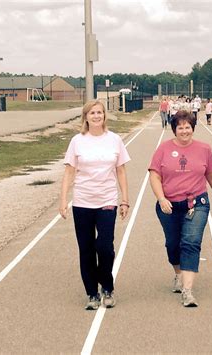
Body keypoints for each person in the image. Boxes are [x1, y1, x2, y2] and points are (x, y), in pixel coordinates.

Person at [149, 110, 212, 307]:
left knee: (191, 242)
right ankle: (178, 274)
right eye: (180, 127)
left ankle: (187, 290)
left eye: (188, 127)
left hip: (196, 203)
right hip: (169, 205)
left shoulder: (204, 149)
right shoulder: (163, 149)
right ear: (174, 129)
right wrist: (161, 199)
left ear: (193, 128)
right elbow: (154, 176)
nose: (184, 130)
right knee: (173, 245)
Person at [59, 99, 130, 310]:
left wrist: (125, 199)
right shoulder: (77, 141)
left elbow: (121, 170)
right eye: (92, 113)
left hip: (107, 200)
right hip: (82, 201)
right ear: (86, 117)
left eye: (99, 112)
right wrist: (63, 200)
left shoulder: (115, 139)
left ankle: (107, 287)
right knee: (87, 249)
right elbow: (69, 171)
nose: (96, 116)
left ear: (104, 116)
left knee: (105, 247)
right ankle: (92, 293)